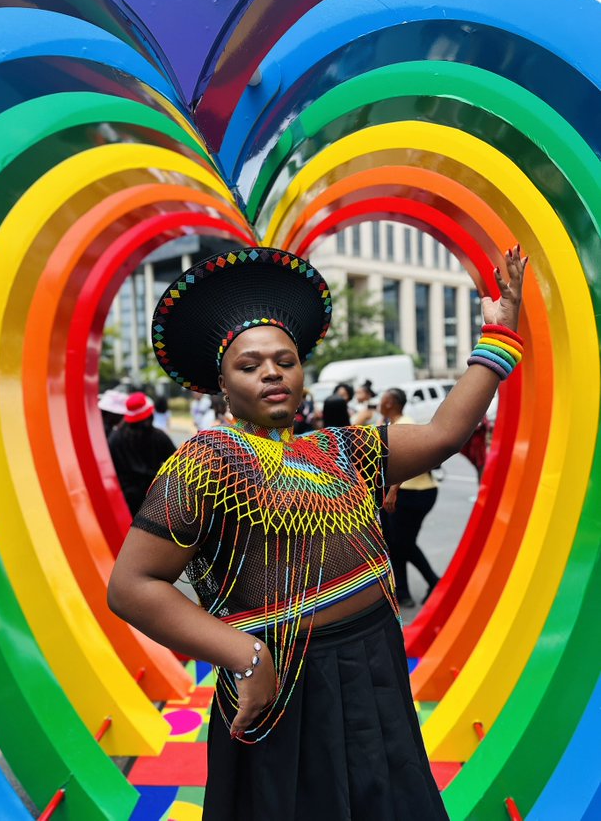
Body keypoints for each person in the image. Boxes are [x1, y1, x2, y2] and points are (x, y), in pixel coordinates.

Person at [108, 244, 527, 820]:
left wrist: (498, 335)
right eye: (249, 366)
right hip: (280, 680)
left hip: (374, 662)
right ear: (222, 385)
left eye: (285, 360)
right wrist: (245, 656)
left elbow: (443, 436)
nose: (271, 372)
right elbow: (132, 586)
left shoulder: (342, 449)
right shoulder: (203, 463)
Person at [379, 387, 440, 608]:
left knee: (403, 543)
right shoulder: (391, 423)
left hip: (414, 493)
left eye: (383, 398)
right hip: (408, 492)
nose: (379, 402)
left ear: (390, 403)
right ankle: (402, 591)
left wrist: (393, 491)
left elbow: (410, 460)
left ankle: (434, 582)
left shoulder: (404, 424)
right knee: (397, 543)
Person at [107, 392, 176, 515]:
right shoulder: (159, 437)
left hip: (124, 501)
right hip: (153, 500)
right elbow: (177, 463)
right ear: (149, 416)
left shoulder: (115, 438)